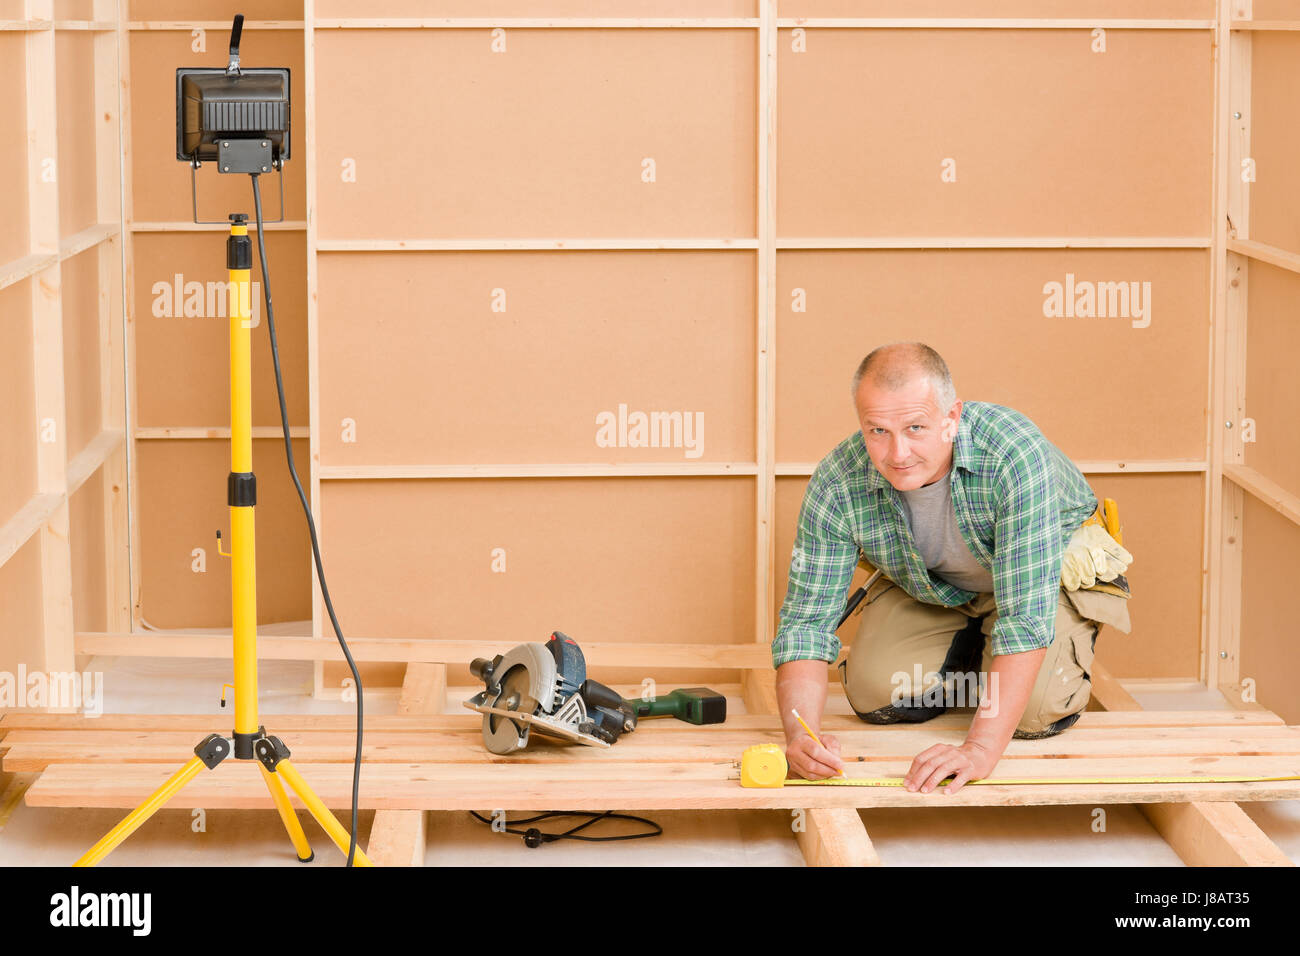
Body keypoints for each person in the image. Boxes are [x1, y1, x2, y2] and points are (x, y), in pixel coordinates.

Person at [772, 341, 1133, 794]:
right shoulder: (838, 481)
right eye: (877, 430)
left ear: (952, 417)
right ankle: (974, 651)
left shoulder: (1013, 453)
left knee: (1031, 714)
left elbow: (1024, 619)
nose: (897, 452)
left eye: (916, 427)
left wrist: (979, 749)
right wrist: (799, 734)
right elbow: (806, 623)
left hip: (1039, 586)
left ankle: (1003, 669)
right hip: (937, 589)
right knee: (874, 693)